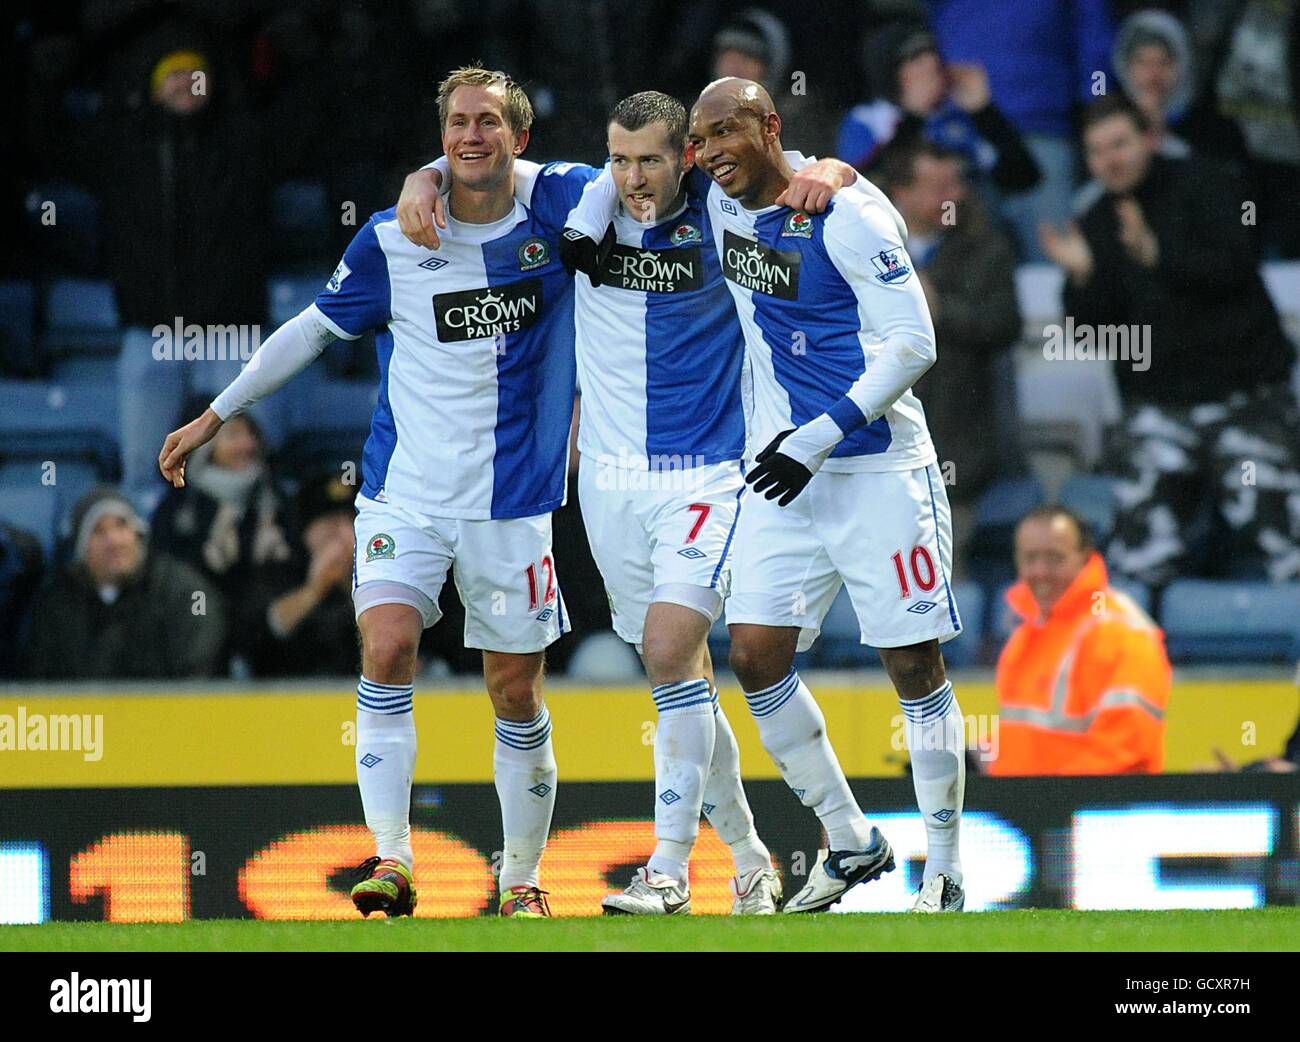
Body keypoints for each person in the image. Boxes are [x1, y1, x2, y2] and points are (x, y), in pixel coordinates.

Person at [399, 91, 857, 915]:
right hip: (609, 483)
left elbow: (797, 180)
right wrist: (420, 177)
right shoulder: (573, 196)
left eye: (651, 158)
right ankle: (753, 859)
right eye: (621, 159)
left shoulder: (723, 213)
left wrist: (829, 167)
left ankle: (669, 869)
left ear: (685, 157)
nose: (634, 176)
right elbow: (480, 156)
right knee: (678, 674)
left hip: (711, 473)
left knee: (669, 647)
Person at [159, 66, 599, 920]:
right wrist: (217, 412)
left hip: (514, 501)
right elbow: (311, 332)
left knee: (514, 689)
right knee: (387, 644)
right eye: (457, 125)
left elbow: (636, 171)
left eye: (489, 123)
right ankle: (392, 860)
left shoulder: (561, 211)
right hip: (407, 495)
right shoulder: (393, 241)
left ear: (521, 137)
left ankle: (521, 882)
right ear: (440, 138)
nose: (472, 136)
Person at [570, 77, 966, 913]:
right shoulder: (719, 207)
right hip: (778, 474)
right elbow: (593, 176)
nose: (711, 153)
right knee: (753, 656)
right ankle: (853, 839)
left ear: (769, 127)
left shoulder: (848, 213)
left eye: (726, 134)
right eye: (701, 141)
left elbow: (914, 342)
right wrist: (424, 178)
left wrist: (819, 435)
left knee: (912, 663)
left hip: (874, 467)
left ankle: (947, 872)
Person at [1039, 96, 1299, 586]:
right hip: (1156, 409)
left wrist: (1158, 253)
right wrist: (1084, 278)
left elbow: (1235, 266)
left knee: (1284, 539)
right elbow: (1092, 335)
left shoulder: (1211, 182)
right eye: (1097, 152)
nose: (1110, 160)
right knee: (1140, 552)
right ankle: (1145, 654)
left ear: (1149, 139)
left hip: (1248, 401)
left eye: (1120, 143)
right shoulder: (1095, 220)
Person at [875, 139, 1022, 565]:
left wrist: (939, 309)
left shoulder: (987, 247)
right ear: (901, 193)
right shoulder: (861, 247)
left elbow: (1003, 324)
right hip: (873, 451)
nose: (955, 196)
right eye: (940, 186)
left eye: (957, 183)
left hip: (954, 452)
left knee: (938, 586)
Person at [991, 506, 1171, 775]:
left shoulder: (1121, 633)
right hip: (1033, 810)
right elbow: (1028, 740)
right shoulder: (1028, 632)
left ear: (1085, 558)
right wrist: (973, 758)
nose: (1040, 571)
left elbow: (1124, 754)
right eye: (1030, 558)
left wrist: (1042, 803)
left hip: (1094, 814)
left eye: (1055, 558)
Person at [23, 487, 226, 680]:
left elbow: (198, 674)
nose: (114, 541)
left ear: (138, 534)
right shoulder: (58, 605)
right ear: (81, 550)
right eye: (98, 531)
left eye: (121, 526)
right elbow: (43, 681)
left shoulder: (181, 591)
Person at [839, 24, 1039, 199]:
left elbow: (1024, 181)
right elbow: (859, 187)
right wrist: (914, 117)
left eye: (932, 52)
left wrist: (984, 113)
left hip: (963, 230)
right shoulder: (867, 119)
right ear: (889, 71)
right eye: (915, 57)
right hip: (896, 229)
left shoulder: (957, 118)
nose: (931, 62)